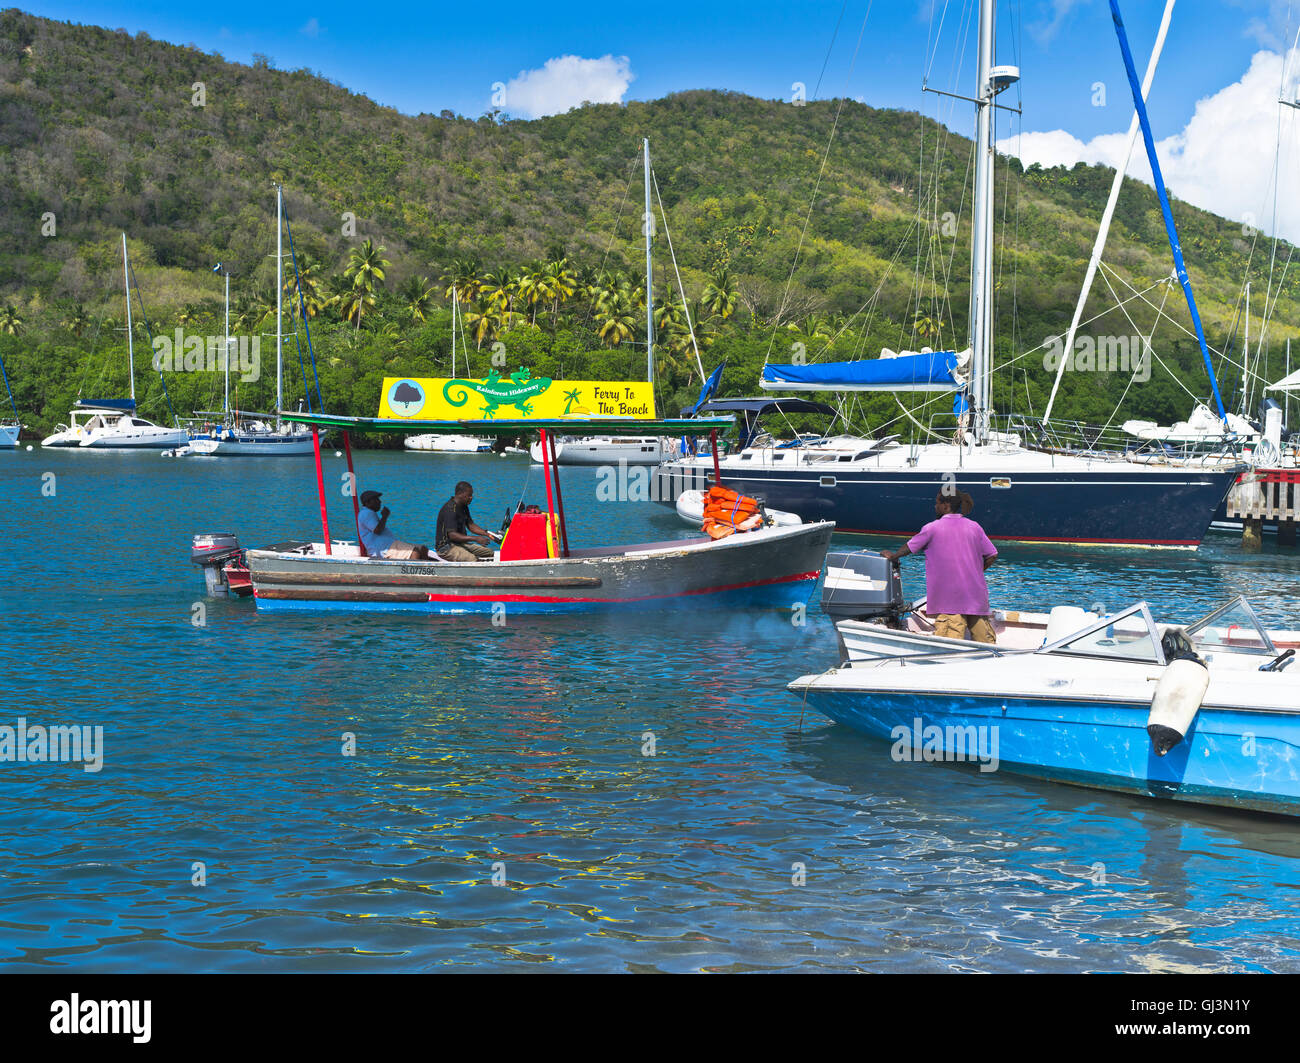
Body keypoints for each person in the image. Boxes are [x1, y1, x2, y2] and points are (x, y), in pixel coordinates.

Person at [882, 489, 998, 643]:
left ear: (946, 505)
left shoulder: (933, 528)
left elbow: (909, 548)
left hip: (950, 602)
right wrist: (976, 573)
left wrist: (893, 556)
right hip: (976, 599)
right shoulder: (974, 526)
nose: (935, 507)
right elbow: (992, 555)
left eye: (937, 503)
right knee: (986, 645)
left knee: (949, 647)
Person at [357, 490, 436, 560]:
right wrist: (384, 516)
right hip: (384, 549)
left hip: (389, 545)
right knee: (414, 553)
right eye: (376, 499)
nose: (379, 502)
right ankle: (411, 575)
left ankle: (425, 570)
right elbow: (377, 530)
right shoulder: (366, 513)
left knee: (423, 549)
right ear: (367, 503)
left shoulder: (369, 513)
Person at [436, 481, 498, 562]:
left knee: (489, 553)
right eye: (469, 495)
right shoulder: (450, 509)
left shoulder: (463, 506)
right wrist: (476, 539)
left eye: (471, 495)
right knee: (472, 559)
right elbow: (452, 535)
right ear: (460, 494)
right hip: (446, 548)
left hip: (459, 544)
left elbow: (471, 525)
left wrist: (487, 534)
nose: (471, 497)